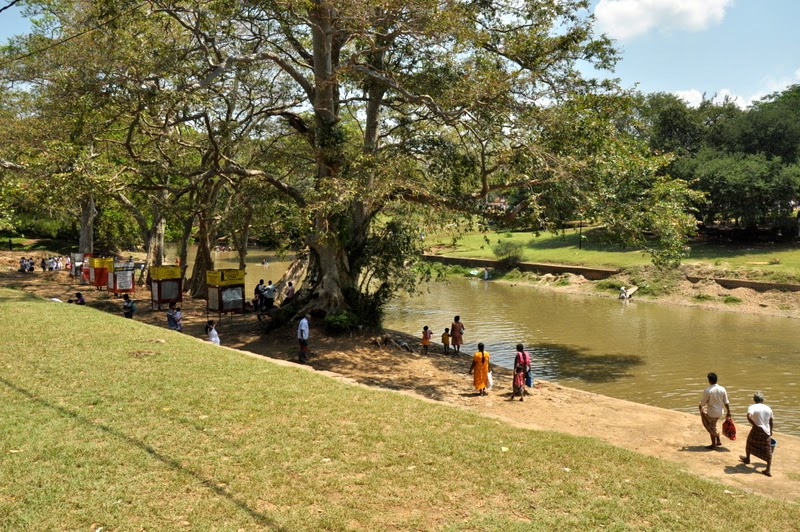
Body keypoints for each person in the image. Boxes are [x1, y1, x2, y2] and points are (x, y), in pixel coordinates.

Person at [740, 392, 774, 477]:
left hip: (757, 429)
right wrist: (771, 431)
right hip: (766, 431)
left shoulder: (752, 407)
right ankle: (768, 469)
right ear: (762, 400)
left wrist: (755, 425)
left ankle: (747, 459)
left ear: (754, 400)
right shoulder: (768, 408)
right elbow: (771, 421)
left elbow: (748, 416)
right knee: (767, 449)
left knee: (749, 442)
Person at [699, 372, 731, 449]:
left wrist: (701, 408)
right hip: (720, 412)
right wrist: (729, 412)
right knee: (714, 425)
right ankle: (718, 440)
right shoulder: (722, 389)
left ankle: (713, 445)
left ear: (709, 380)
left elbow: (703, 402)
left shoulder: (707, 390)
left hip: (712, 412)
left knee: (711, 427)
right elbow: (726, 402)